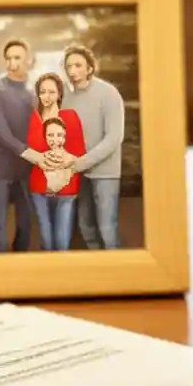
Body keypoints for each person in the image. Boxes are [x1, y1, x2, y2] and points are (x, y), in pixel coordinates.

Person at [48, 43, 124, 249]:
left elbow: (114, 137)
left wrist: (80, 162)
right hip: (77, 173)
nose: (72, 71)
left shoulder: (108, 93)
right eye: (68, 66)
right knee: (85, 226)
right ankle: (99, 275)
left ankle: (119, 275)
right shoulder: (66, 97)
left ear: (90, 68)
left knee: (107, 228)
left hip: (105, 173)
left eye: (78, 65)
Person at [0, 38, 49, 252]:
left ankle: (19, 276)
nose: (12, 62)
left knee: (26, 228)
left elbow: (43, 130)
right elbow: (1, 133)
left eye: (17, 58)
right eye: (8, 58)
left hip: (26, 171)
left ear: (30, 61)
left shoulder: (34, 95)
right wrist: (29, 153)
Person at [26, 73, 85, 251]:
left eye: (51, 92)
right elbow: (28, 150)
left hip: (66, 188)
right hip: (39, 187)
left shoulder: (70, 116)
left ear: (59, 94)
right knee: (46, 240)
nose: (47, 96)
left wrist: (65, 161)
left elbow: (80, 152)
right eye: (42, 92)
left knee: (62, 241)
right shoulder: (33, 119)